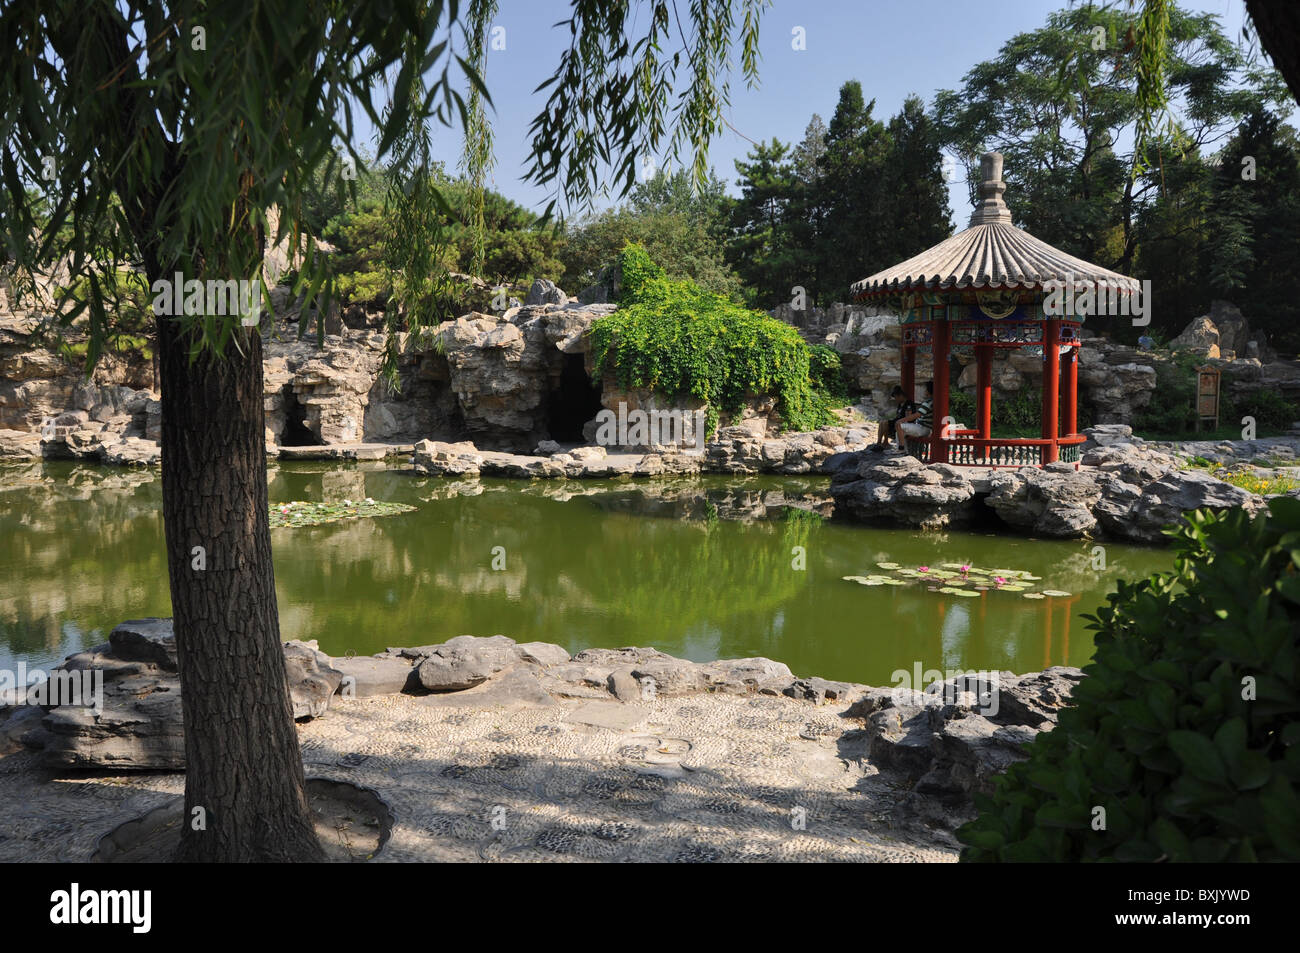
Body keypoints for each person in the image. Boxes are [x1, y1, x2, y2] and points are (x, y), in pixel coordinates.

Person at [870, 385, 915, 451]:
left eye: (896, 397)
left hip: (903, 423)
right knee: (882, 422)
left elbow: (908, 418)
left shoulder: (909, 404)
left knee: (885, 423)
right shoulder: (900, 404)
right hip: (898, 421)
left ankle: (885, 442)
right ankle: (879, 443)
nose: (895, 399)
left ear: (901, 396)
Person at [897, 381, 933, 451]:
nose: (924, 391)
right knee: (900, 430)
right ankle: (905, 450)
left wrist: (901, 420)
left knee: (899, 426)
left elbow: (918, 414)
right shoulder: (932, 401)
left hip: (924, 428)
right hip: (927, 428)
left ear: (928, 391)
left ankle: (901, 449)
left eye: (925, 389)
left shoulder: (929, 402)